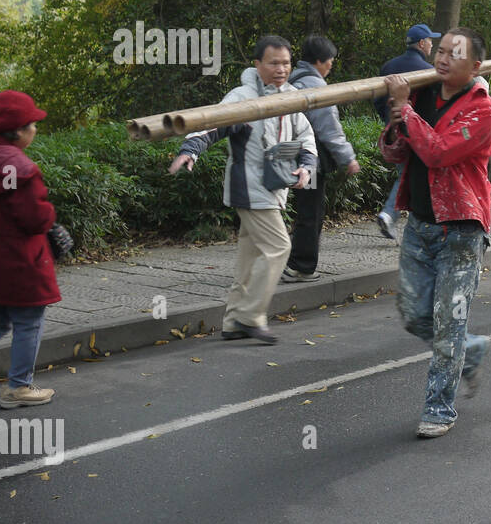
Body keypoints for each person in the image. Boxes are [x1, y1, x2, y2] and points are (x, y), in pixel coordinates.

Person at [379, 27, 491, 438]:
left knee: (449, 325)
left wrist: (405, 112)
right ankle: (471, 350)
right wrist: (398, 119)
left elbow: (438, 152)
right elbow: (396, 152)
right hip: (420, 224)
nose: (443, 59)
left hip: (461, 231)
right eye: (441, 51)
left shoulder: (483, 110)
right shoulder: (422, 94)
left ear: (475, 66)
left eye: (455, 54)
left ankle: (439, 408)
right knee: (414, 315)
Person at [169, 36, 317, 345]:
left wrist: (306, 167)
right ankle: (251, 316)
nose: (281, 69)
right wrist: (190, 150)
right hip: (250, 189)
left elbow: (306, 137)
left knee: (250, 259)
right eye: (274, 63)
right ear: (257, 64)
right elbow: (211, 125)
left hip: (275, 188)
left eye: (286, 63)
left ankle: (234, 319)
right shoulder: (242, 97)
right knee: (279, 248)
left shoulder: (290, 96)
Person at [0, 91, 61, 407]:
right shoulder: (19, 166)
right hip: (20, 261)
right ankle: (19, 387)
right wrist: (52, 219)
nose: (35, 129)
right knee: (29, 317)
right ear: (18, 131)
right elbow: (33, 217)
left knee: (0, 315)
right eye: (32, 124)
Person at [282, 35, 362, 282]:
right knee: (311, 211)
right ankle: (300, 266)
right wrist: (348, 158)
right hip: (309, 160)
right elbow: (330, 130)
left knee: (292, 209)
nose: (331, 65)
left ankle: (283, 261)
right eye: (330, 61)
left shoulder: (290, 81)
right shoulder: (317, 88)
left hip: (287, 154)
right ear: (319, 61)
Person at [374, 23, 437, 239]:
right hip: (418, 131)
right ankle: (389, 214)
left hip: (393, 130)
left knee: (405, 174)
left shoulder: (388, 67)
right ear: (421, 43)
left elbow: (378, 100)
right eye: (430, 40)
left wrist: (390, 121)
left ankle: (392, 215)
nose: (432, 45)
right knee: (408, 175)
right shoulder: (430, 72)